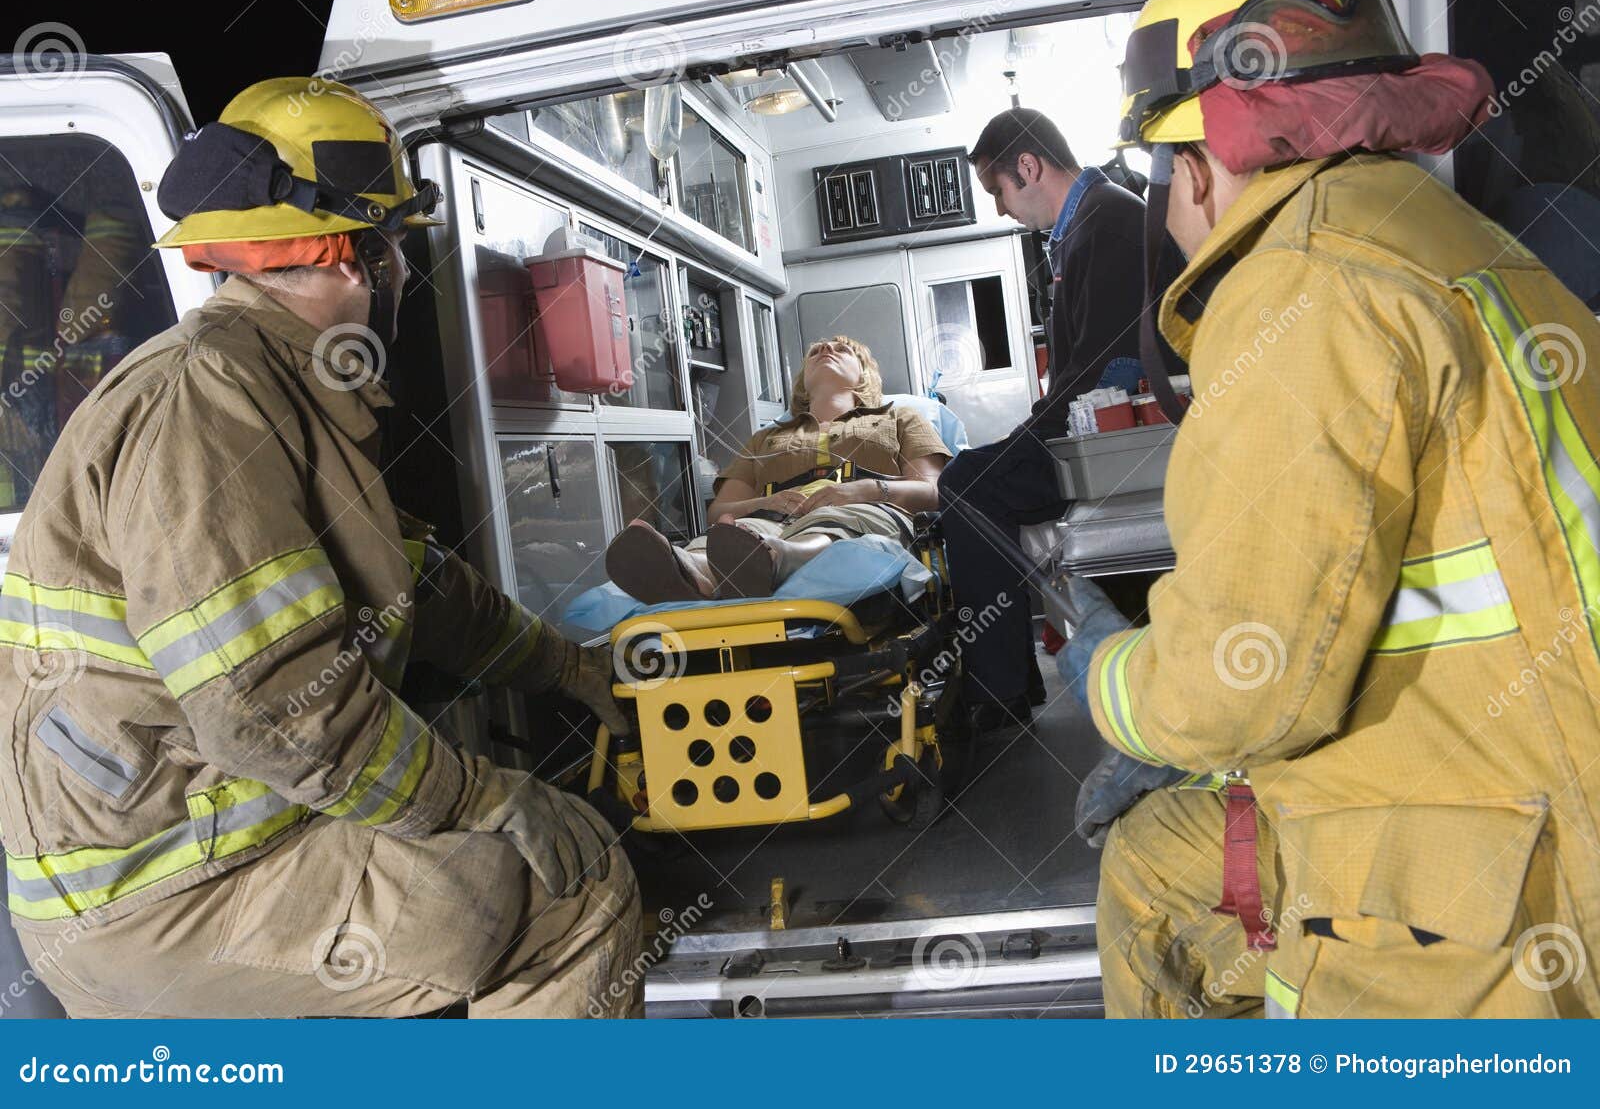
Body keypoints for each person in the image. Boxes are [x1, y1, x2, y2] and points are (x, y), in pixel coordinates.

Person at [0, 78, 643, 1018]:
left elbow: (415, 585)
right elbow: (268, 710)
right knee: (573, 890)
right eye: (396, 250)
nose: (402, 278)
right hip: (168, 890)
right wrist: (486, 799)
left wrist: (564, 669)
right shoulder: (206, 403)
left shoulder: (267, 383)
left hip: (192, 849)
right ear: (357, 260)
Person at [1059, 0, 1600, 1018]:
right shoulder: (1448, 240)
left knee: (1160, 894)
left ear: (1200, 164)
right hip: (1524, 751)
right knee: (1157, 859)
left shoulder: (1303, 286)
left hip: (1504, 852)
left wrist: (1107, 680)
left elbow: (1235, 690)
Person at [938, 108, 1160, 729]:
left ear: (1028, 168)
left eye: (998, 190)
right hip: (1089, 425)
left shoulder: (1108, 226)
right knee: (974, 474)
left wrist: (1028, 439)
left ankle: (1000, 692)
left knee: (965, 485)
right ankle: (1008, 680)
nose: (1003, 210)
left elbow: (1104, 366)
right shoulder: (1087, 228)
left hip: (1112, 440)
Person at [606, 336, 950, 602]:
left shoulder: (899, 419)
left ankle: (777, 557)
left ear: (865, 377)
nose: (826, 348)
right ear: (804, 382)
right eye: (816, 351)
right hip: (770, 522)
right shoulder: (767, 438)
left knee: (838, 521)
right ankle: (687, 569)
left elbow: (934, 492)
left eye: (842, 349)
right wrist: (762, 504)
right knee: (738, 530)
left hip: (866, 510)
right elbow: (719, 511)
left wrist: (869, 490)